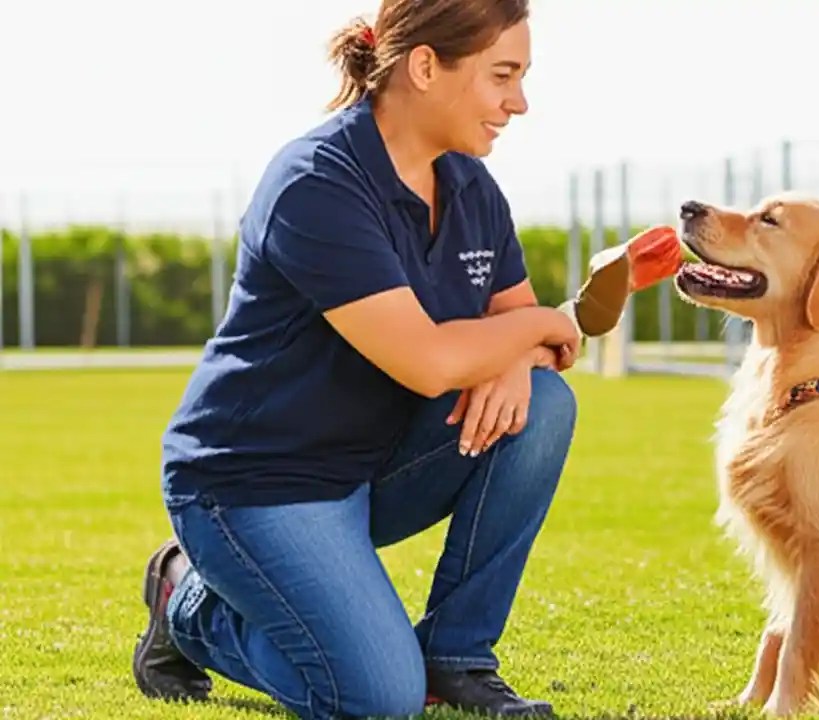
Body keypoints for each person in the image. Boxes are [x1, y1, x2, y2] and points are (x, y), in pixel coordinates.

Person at [130, 1, 600, 717]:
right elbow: (432, 362)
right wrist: (543, 325)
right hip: (257, 485)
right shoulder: (318, 183)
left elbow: (522, 340)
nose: (520, 102)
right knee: (378, 700)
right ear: (424, 66)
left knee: (544, 405)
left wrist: (519, 351)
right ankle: (188, 602)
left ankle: (458, 657)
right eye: (502, 75)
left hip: (375, 466)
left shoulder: (472, 188)